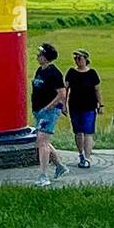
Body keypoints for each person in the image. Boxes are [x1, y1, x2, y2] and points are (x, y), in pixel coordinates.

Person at [32, 43, 67, 187]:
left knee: (42, 142)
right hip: (39, 111)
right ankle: (60, 166)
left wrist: (48, 108)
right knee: (43, 142)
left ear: (46, 57)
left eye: (40, 54)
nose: (37, 56)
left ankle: (43, 175)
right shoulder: (40, 70)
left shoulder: (54, 73)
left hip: (49, 112)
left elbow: (62, 94)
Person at [64, 48, 103, 169]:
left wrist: (100, 104)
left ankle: (87, 157)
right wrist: (63, 104)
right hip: (75, 105)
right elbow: (65, 89)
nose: (77, 61)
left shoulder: (92, 73)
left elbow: (97, 90)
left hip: (89, 106)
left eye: (79, 58)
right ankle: (81, 153)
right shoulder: (71, 72)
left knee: (88, 131)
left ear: (86, 59)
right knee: (78, 131)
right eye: (75, 58)